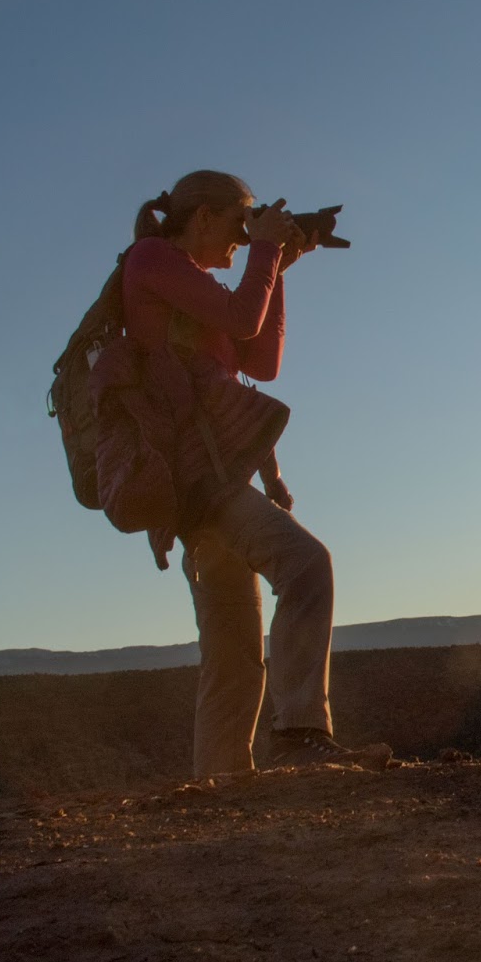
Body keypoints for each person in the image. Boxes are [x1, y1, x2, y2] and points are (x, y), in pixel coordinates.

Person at [123, 169, 388, 777]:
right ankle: (299, 733)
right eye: (239, 225)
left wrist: (280, 264)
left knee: (235, 652)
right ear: (204, 216)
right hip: (199, 479)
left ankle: (219, 789)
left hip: (213, 479)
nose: (240, 241)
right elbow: (243, 319)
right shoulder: (152, 260)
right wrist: (265, 249)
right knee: (306, 565)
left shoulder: (196, 289)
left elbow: (261, 364)